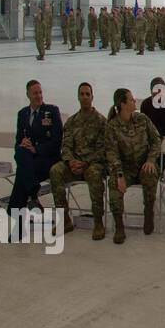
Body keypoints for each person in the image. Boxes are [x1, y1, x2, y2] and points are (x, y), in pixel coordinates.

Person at [50, 82, 107, 238]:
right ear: (78, 97)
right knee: (55, 171)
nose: (84, 97)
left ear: (92, 97)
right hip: (74, 165)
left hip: (92, 165)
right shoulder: (72, 122)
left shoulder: (101, 121)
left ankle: (98, 222)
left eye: (87, 94)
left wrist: (85, 162)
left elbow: (103, 149)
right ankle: (65, 220)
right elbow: (66, 146)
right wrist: (70, 162)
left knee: (95, 175)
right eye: (81, 94)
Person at [104, 88, 162, 239]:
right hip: (125, 169)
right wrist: (119, 174)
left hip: (144, 164)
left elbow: (156, 140)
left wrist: (150, 160)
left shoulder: (142, 119)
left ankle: (149, 214)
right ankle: (119, 226)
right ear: (122, 104)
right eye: (130, 99)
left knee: (150, 173)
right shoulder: (112, 126)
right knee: (114, 185)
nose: (134, 101)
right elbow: (111, 153)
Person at [10, 79, 64, 233]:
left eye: (40, 92)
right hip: (30, 160)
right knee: (20, 152)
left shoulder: (52, 111)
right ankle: (33, 192)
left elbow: (57, 141)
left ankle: (18, 223)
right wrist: (23, 144)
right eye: (35, 93)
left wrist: (36, 149)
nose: (39, 96)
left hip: (47, 159)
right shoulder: (23, 114)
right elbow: (18, 140)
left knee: (22, 173)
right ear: (28, 94)